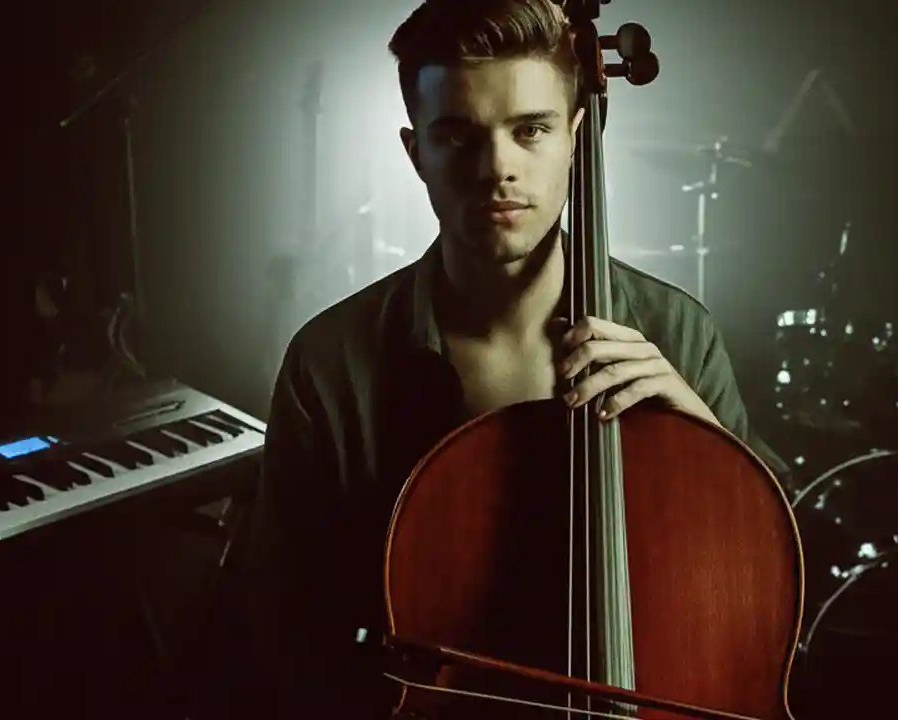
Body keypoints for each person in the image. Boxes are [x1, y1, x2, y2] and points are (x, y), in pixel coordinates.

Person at [231, 1, 788, 717]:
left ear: (576, 140)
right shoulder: (330, 364)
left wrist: (699, 436)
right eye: (458, 136)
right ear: (415, 153)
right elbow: (284, 634)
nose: (498, 168)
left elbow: (758, 612)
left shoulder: (676, 333)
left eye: (531, 130)